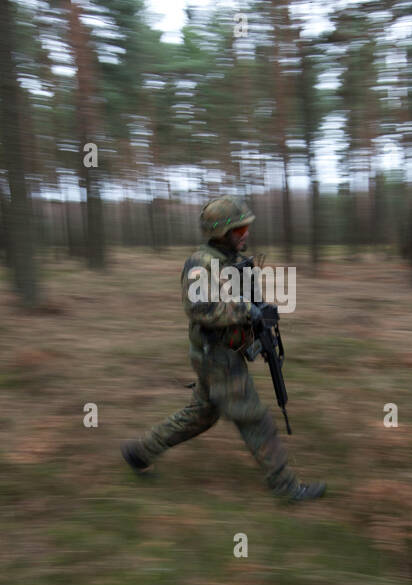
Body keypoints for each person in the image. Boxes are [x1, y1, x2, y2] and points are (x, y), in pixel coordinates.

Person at [121, 197, 325, 503]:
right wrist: (247, 312)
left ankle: (139, 452)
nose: (246, 233)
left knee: (201, 415)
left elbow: (240, 298)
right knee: (253, 417)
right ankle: (285, 487)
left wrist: (260, 314)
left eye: (247, 227)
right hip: (216, 356)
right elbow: (200, 308)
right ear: (221, 232)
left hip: (220, 352)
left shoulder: (229, 260)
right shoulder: (200, 263)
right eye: (239, 228)